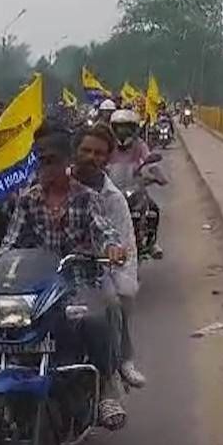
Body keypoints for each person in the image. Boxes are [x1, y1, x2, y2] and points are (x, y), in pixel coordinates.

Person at [0, 123, 129, 429]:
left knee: (97, 318)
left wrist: (113, 247)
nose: (43, 167)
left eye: (50, 160)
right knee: (2, 318)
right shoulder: (27, 199)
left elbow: (102, 230)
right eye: (38, 159)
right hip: (37, 283)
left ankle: (106, 387)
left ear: (67, 161)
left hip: (79, 279)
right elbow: (11, 242)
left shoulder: (86, 198)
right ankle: (8, 373)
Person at [71, 124, 147, 389]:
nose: (92, 157)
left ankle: (113, 375)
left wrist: (120, 267)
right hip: (51, 272)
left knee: (114, 303)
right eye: (86, 151)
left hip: (95, 270)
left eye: (99, 153)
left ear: (108, 157)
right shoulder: (51, 186)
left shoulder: (112, 198)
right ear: (74, 152)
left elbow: (122, 239)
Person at [108, 108, 166, 259]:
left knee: (153, 209)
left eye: (126, 127)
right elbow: (99, 162)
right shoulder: (108, 146)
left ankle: (152, 242)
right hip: (112, 188)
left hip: (134, 185)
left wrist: (158, 176)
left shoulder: (139, 144)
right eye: (119, 127)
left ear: (133, 129)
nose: (123, 131)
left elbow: (150, 161)